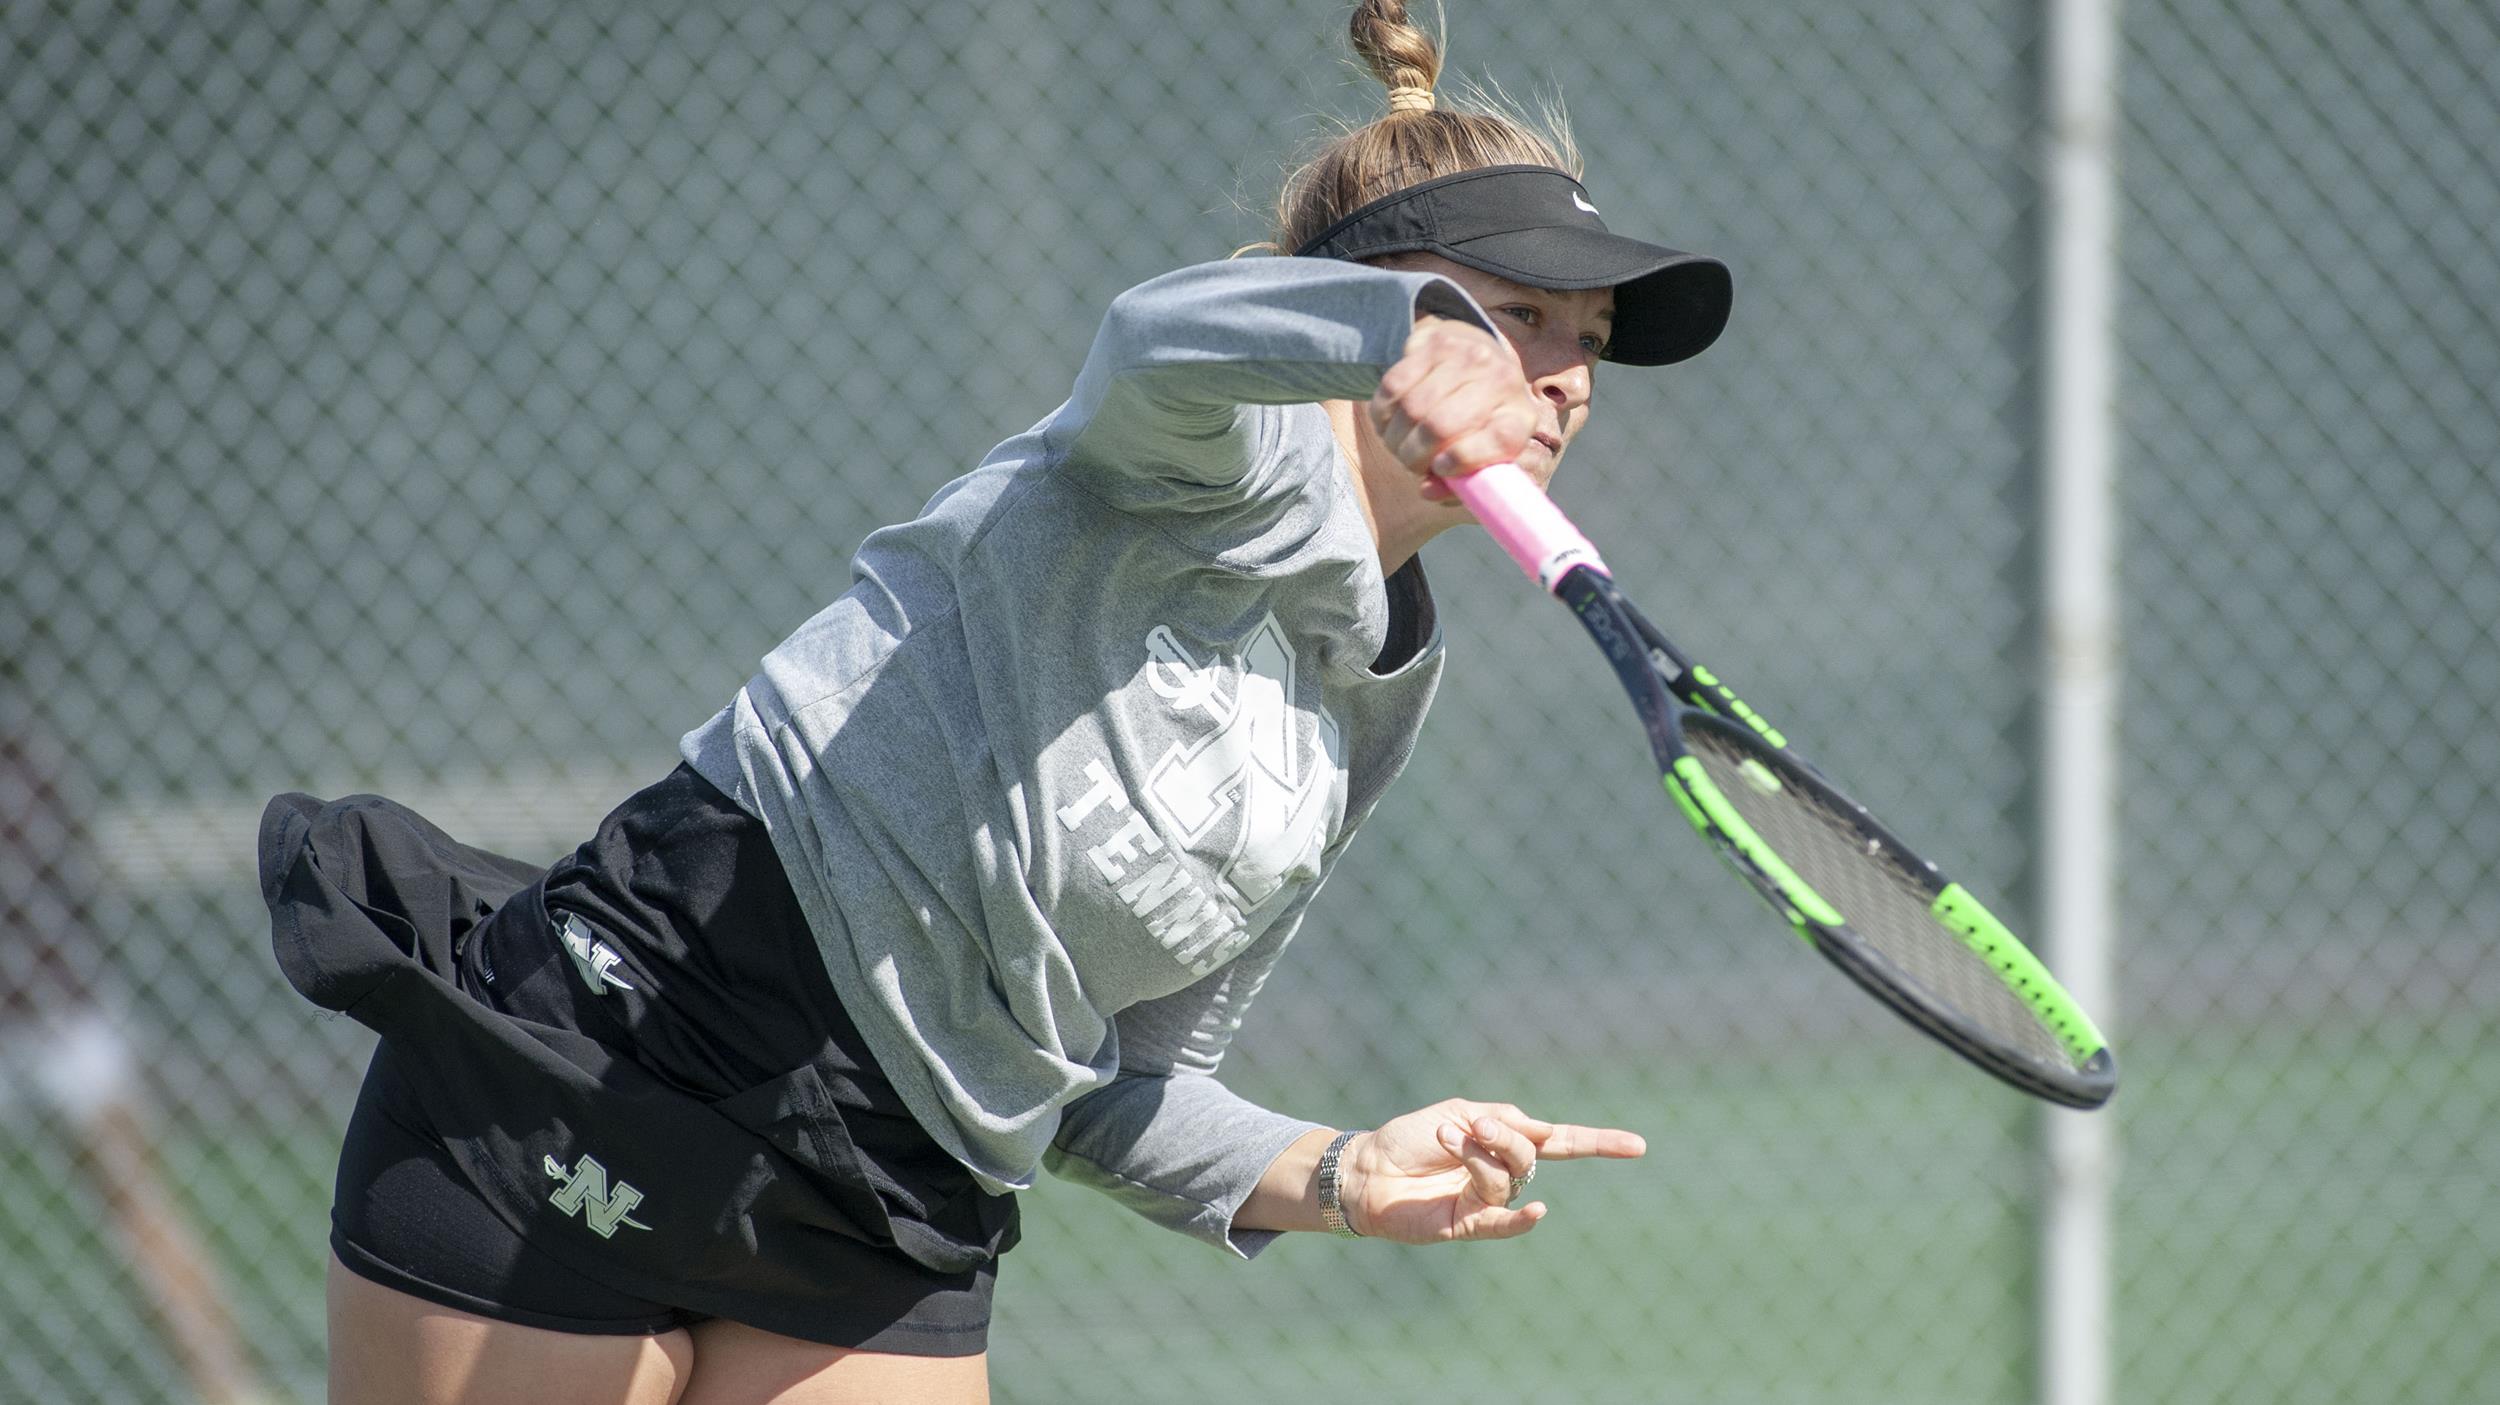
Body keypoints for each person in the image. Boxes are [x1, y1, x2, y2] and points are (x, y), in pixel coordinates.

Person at [260, 3, 1733, 1401]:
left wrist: (1343, 1173)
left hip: (896, 1190)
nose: (1561, 378)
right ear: (1361, 310)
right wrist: (1398, 333)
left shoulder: (1371, 687)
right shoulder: (1204, 450)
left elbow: (1121, 1083)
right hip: (628, 1051)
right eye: (1520, 314)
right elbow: (1156, 333)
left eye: (1587, 339)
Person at [2, 687, 276, 1405]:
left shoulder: (24, 755)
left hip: (55, 1008)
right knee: (137, 1204)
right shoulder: (29, 755)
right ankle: (225, 1382)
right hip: (62, 1003)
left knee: (137, 1202)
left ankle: (224, 1380)